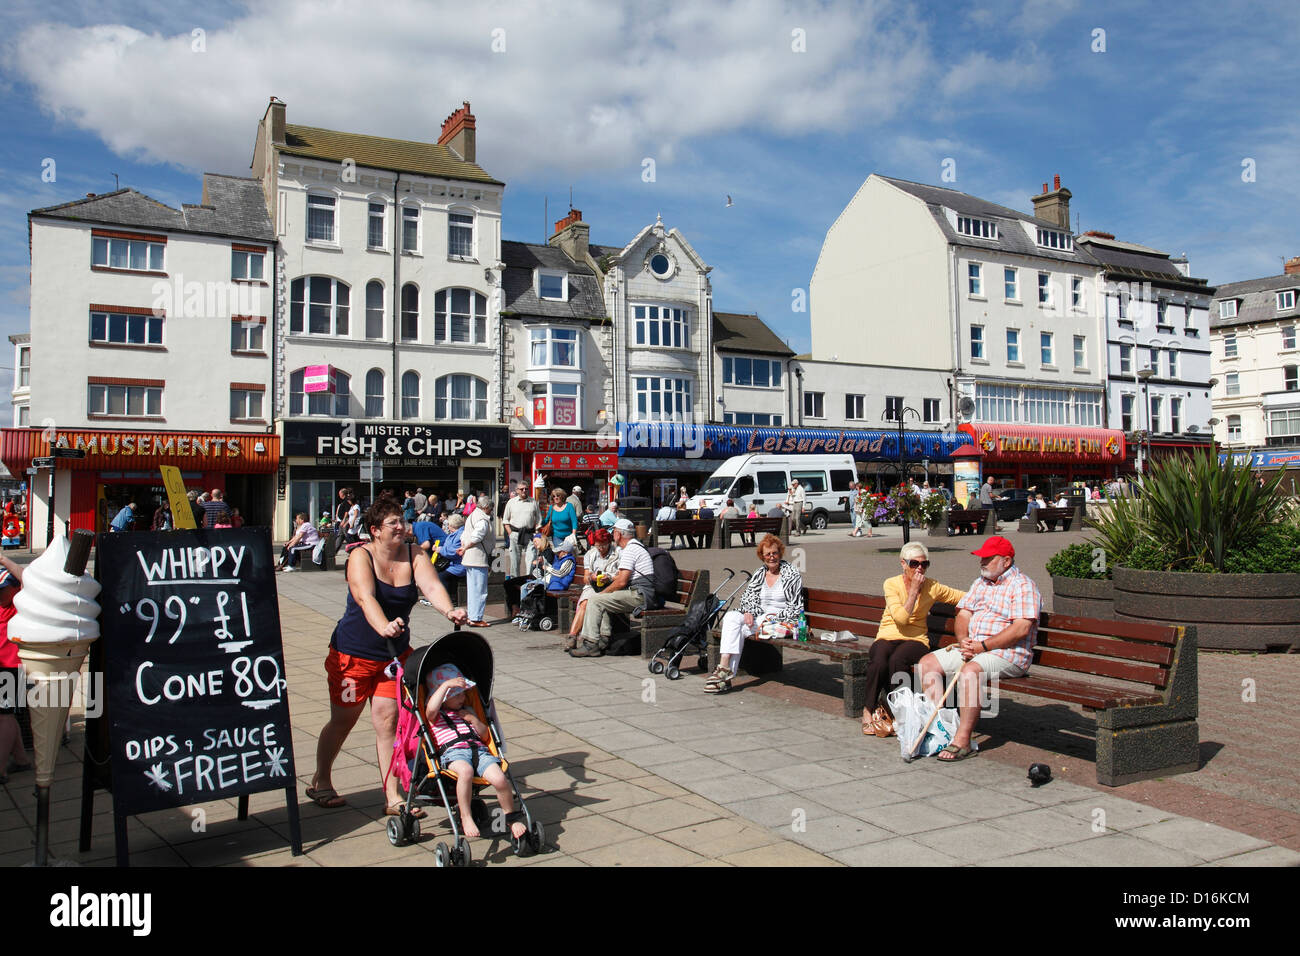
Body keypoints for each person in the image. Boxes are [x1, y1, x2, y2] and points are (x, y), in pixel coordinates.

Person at [308, 496, 467, 814]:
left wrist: (450, 611)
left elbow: (432, 588)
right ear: (374, 530)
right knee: (343, 721)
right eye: (393, 522)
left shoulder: (414, 553)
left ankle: (393, 796)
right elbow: (365, 597)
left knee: (389, 722)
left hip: (393, 656)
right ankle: (321, 779)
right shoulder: (360, 556)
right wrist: (383, 625)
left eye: (401, 520)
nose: (401, 526)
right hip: (353, 654)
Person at [915, 535, 1041, 761]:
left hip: (1009, 653)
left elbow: (1021, 629)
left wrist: (983, 646)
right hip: (975, 649)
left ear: (1006, 561)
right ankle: (943, 727)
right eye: (981, 558)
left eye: (988, 558)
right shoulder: (979, 583)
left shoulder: (1023, 586)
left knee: (970, 671)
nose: (982, 562)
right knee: (927, 664)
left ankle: (963, 740)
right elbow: (963, 614)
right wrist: (964, 640)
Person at [861, 543, 966, 736]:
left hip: (916, 639)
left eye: (924, 564)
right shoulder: (891, 584)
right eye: (914, 563)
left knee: (897, 660)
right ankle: (868, 710)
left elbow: (961, 597)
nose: (919, 568)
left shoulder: (932, 586)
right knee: (879, 662)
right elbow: (901, 618)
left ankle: (901, 714)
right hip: (888, 634)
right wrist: (913, 592)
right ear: (903, 563)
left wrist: (990, 596)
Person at [423, 665, 528, 841]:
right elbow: (431, 709)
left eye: (463, 694)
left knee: (500, 779)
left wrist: (472, 719)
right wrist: (445, 686)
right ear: (443, 698)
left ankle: (510, 818)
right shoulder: (436, 716)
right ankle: (466, 816)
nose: (462, 698)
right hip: (454, 753)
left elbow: (485, 735)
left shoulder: (468, 711)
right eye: (456, 695)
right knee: (466, 772)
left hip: (479, 751)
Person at [707, 534, 803, 694]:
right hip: (759, 619)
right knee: (731, 618)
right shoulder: (760, 573)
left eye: (775, 553)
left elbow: (795, 607)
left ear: (780, 553)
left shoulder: (791, 574)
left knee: (738, 630)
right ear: (762, 556)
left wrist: (770, 617)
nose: (771, 557)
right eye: (768, 554)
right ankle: (724, 667)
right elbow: (747, 597)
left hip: (779, 621)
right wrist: (749, 611)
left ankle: (724, 677)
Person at [570, 518, 655, 658]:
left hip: (640, 595)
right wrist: (608, 582)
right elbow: (621, 578)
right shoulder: (634, 547)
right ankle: (603, 638)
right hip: (641, 592)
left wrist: (602, 593)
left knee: (596, 600)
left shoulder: (630, 550)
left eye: (614, 531)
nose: (613, 534)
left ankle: (591, 645)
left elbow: (621, 582)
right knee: (601, 600)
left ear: (618, 534)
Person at [0, 556, 33, 785]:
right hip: (4, 668)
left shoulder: (17, 605)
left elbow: (27, 578)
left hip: (11, 668)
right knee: (5, 716)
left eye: (3, 589)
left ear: (14, 589)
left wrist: (3, 558)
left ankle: (0, 768)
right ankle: (20, 758)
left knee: (5, 717)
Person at [565, 528, 621, 650]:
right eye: (598, 546)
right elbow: (585, 578)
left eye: (603, 546)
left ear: (609, 543)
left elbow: (621, 576)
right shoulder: (590, 554)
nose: (600, 549)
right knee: (585, 603)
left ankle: (593, 638)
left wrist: (609, 577)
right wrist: (592, 577)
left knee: (598, 601)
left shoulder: (618, 553)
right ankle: (572, 636)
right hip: (593, 586)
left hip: (611, 586)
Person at [458, 495, 495, 627]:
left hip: (470, 558)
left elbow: (464, 535)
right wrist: (465, 547)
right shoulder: (482, 519)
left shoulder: (472, 516)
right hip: (478, 557)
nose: (491, 512)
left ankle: (472, 616)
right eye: (491, 509)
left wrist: (463, 547)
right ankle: (476, 618)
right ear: (486, 508)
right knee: (479, 590)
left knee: (472, 589)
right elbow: (477, 536)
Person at [501, 483, 541, 578]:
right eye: (521, 489)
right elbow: (505, 520)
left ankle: (529, 579)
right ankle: (515, 580)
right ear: (517, 490)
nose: (524, 491)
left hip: (530, 533)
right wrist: (510, 533)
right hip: (515, 533)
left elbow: (539, 519)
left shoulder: (533, 502)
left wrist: (536, 532)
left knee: (531, 559)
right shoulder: (511, 502)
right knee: (515, 560)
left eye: (526, 489)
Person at [436, 513, 467, 599]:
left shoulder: (460, 535)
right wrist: (440, 548)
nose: (448, 526)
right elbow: (448, 548)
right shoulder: (454, 534)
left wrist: (440, 550)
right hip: (451, 564)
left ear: (452, 525)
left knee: (441, 575)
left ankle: (447, 598)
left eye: (448, 524)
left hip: (459, 565)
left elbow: (454, 552)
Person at [542, 487, 580, 552]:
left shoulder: (569, 506)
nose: (556, 498)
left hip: (569, 536)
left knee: (568, 555)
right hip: (557, 537)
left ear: (562, 496)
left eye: (558, 495)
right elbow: (546, 520)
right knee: (561, 554)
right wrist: (538, 520)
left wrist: (573, 534)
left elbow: (574, 521)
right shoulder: (551, 507)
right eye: (553, 496)